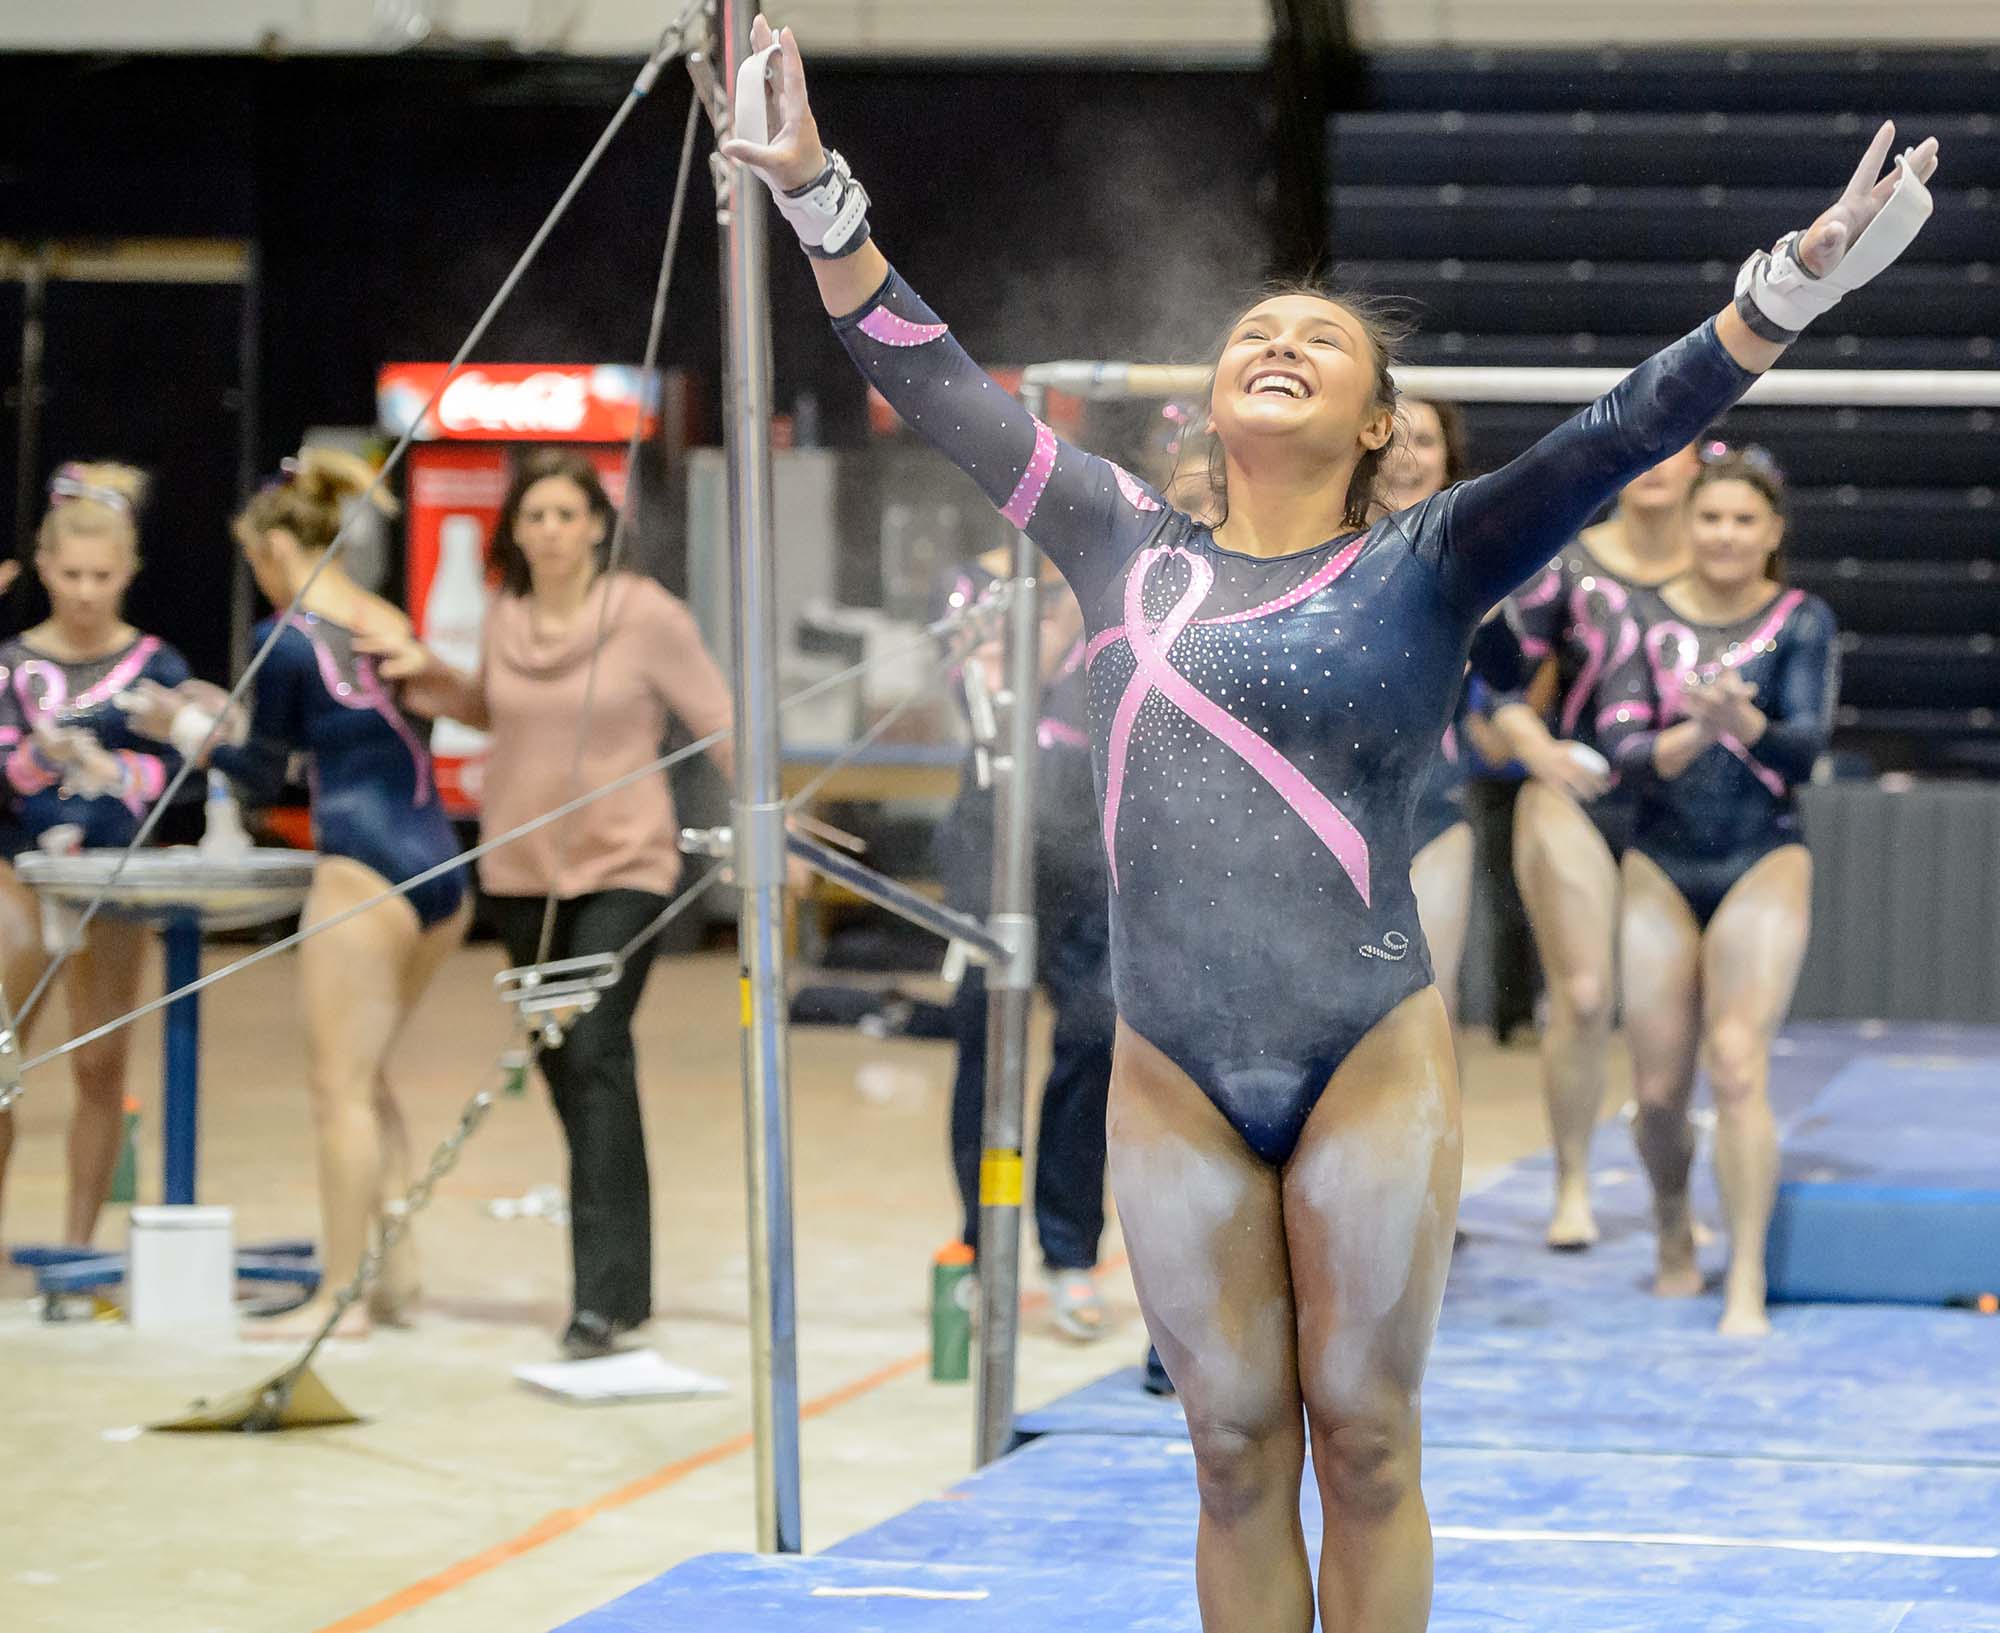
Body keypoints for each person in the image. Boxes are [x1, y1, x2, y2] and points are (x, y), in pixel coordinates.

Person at [724, 30, 1934, 1623]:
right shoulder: (1115, 537)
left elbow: (1621, 434)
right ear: (1213, 399)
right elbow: (929, 377)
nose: (1279, 340)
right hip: (1173, 1058)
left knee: (1362, 1444)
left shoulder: (1431, 558)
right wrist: (816, 192)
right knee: (1231, 1452)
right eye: (1256, 330)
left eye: (1321, 339)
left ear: (1378, 423)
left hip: (1364, 1043)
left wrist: (1785, 290)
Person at [376, 449, 734, 1359]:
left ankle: (600, 1301)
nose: (550, 531)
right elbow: (497, 711)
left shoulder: (645, 614)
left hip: (625, 865)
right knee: (570, 1074)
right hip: (521, 875)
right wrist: (430, 677)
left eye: (567, 514)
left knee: (596, 1047)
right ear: (515, 530)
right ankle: (626, 1279)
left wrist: (779, 821)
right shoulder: (507, 617)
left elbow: (721, 720)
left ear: (597, 526)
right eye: (534, 515)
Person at [130, 450, 468, 1339]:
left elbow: (258, 773)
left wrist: (185, 725)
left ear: (277, 547)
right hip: (441, 867)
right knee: (370, 1075)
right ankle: (396, 1276)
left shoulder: (284, 637)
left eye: (256, 560)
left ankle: (339, 1297)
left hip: (363, 870)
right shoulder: (381, 618)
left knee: (339, 1090)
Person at [1597, 448, 1836, 1337]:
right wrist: (1698, 731)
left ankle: (1745, 1276)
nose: (1726, 534)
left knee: (1736, 1063)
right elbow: (1621, 747)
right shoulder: (1641, 614)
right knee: (1660, 1091)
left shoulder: (1801, 619)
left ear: (1773, 532)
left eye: (1744, 520)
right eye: (1711, 518)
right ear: (1687, 524)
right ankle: (1672, 1225)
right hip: (1661, 860)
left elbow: (1804, 748)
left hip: (1762, 853)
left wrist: (1743, 721)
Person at [1469, 442, 1704, 1248]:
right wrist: (1538, 751)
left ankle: (1673, 1193)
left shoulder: (1719, 561)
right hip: (1577, 791)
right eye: (1648, 451)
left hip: (1676, 805)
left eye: (1677, 452)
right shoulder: (1566, 565)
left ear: (1699, 467)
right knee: (1583, 994)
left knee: (1671, 1014)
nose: (1657, 467)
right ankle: (1571, 1184)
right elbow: (1498, 677)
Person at [0, 464, 185, 1253]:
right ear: (43, 568)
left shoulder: (157, 665)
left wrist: (117, 769)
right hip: (18, 872)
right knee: (0, 1057)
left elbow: (176, 773)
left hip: (116, 879)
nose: (83, 592)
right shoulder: (11, 665)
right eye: (70, 574)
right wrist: (35, 759)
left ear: (129, 571)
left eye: (100, 577)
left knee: (101, 1062)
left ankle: (77, 1246)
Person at [936, 555, 1115, 1341]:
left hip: (1092, 837)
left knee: (1096, 1035)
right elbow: (997, 698)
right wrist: (1057, 603)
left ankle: (1070, 1249)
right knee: (986, 1044)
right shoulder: (974, 586)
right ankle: (985, 1246)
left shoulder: (1116, 570)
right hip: (994, 828)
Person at [1381, 399, 1476, 1026]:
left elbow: (1509, 685)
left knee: (1429, 1009)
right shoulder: (1314, 546)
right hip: (1323, 812)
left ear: (1449, 460)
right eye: (1395, 439)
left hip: (1432, 812)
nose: (1407, 458)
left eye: (1425, 441)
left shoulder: (1478, 555)